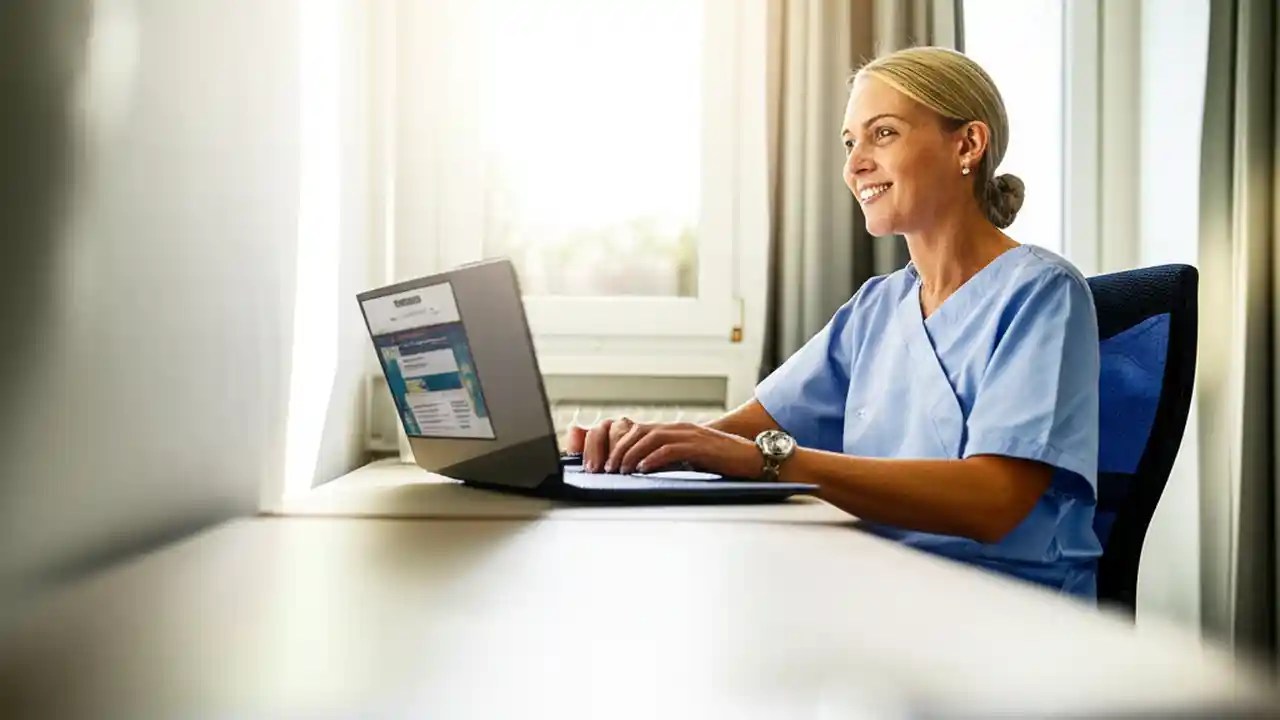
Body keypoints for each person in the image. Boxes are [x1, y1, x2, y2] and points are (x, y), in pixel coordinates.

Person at [567, 46, 1102, 599]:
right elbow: (750, 429)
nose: (855, 165)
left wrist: (767, 462)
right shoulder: (878, 307)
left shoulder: (1043, 293)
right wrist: (643, 447)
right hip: (880, 585)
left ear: (967, 144)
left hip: (1007, 609)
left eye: (884, 134)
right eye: (850, 143)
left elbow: (993, 500)